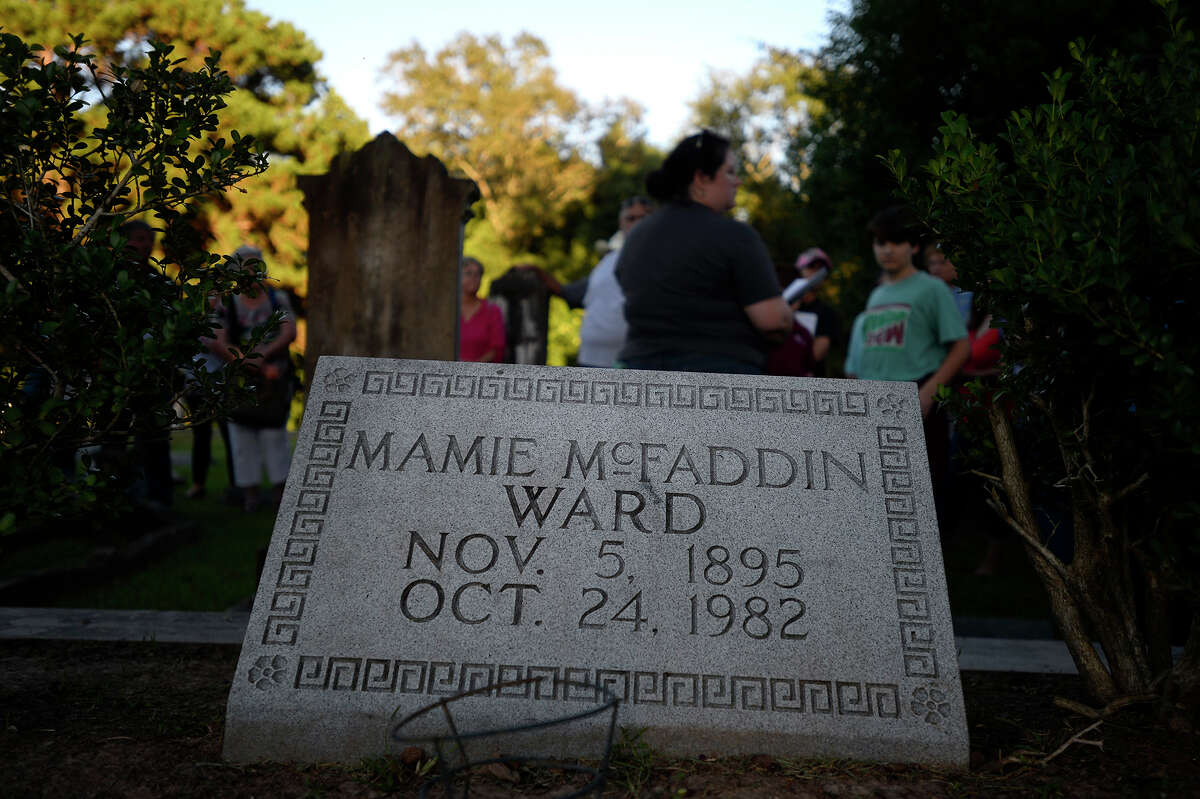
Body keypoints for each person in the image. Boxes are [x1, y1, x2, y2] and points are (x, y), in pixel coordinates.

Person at [615, 130, 791, 374]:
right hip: (718, 379)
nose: (737, 181)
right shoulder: (734, 235)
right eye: (729, 171)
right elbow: (773, 321)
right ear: (701, 179)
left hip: (639, 376)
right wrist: (787, 314)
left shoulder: (635, 237)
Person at [848, 206, 969, 525]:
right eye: (879, 242)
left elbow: (961, 346)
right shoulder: (877, 295)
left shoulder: (931, 288)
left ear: (913, 246)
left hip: (918, 399)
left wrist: (929, 392)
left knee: (925, 492)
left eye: (895, 241)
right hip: (875, 402)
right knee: (879, 490)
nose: (886, 249)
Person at [213, 245, 297, 512]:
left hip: (274, 378)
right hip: (239, 378)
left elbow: (288, 331)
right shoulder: (228, 302)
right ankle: (249, 494)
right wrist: (244, 360)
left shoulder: (276, 298)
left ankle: (279, 493)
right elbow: (218, 339)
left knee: (275, 435)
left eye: (256, 264)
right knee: (241, 436)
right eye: (247, 265)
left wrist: (264, 356)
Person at [524, 197, 653, 367]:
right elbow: (570, 292)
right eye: (631, 218)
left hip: (634, 363)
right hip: (591, 359)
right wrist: (537, 271)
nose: (637, 223)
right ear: (620, 223)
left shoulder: (661, 258)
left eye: (643, 218)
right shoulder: (608, 261)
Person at [769, 247, 842, 378]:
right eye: (811, 267)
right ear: (798, 271)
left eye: (821, 269)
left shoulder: (827, 313)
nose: (816, 272)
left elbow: (816, 354)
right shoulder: (774, 305)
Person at [458, 257, 507, 363]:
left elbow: (497, 348)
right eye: (468, 273)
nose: (474, 278)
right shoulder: (448, 311)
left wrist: (473, 369)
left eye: (478, 274)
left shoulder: (492, 311)